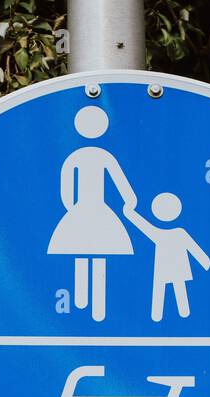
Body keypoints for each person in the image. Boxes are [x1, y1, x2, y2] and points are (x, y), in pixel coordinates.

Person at [47, 105, 138, 322]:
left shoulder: (76, 157)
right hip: (95, 210)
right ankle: (92, 308)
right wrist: (130, 201)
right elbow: (121, 184)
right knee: (96, 254)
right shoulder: (101, 156)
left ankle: (87, 304)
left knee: (85, 252)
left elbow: (66, 191)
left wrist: (72, 210)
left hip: (82, 210)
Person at [123, 192, 210, 322]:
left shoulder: (163, 234)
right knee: (172, 288)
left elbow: (144, 226)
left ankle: (163, 316)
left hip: (170, 267)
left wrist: (129, 213)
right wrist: (205, 262)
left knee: (169, 289)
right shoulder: (176, 233)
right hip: (169, 268)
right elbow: (194, 249)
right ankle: (162, 316)